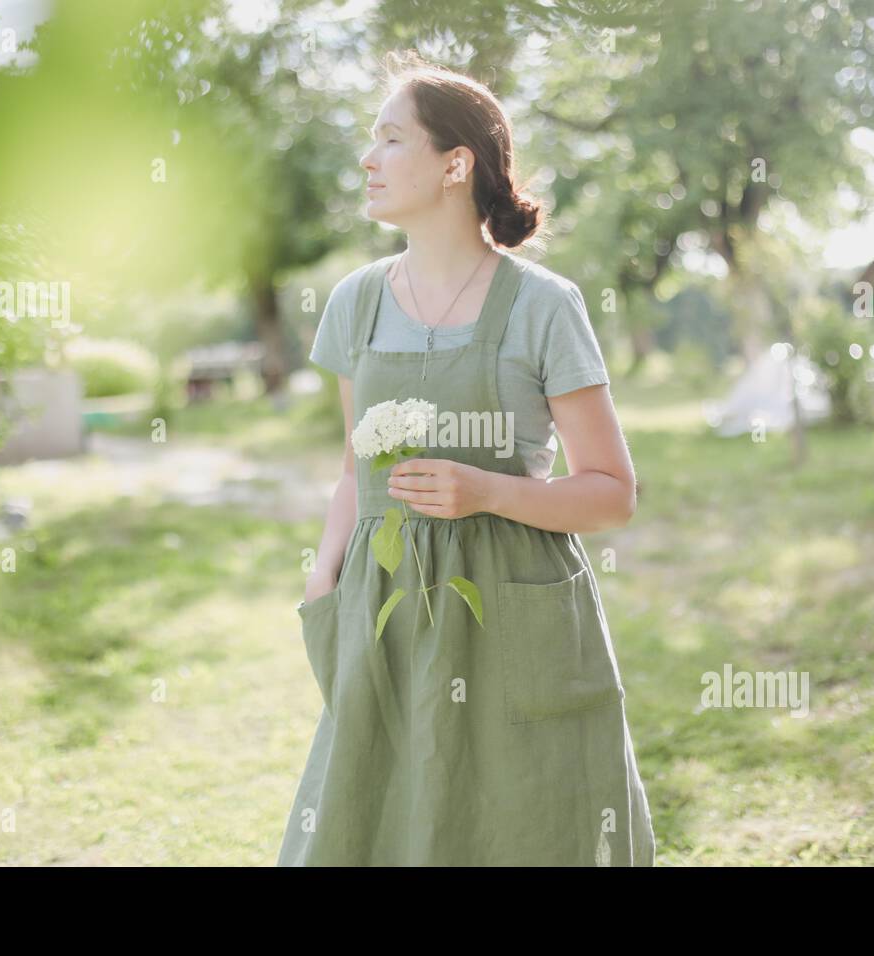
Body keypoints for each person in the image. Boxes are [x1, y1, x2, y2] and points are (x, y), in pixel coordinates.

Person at [277, 50, 655, 866]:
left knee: (527, 818)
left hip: (512, 605)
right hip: (384, 605)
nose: (367, 160)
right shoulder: (356, 302)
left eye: (389, 140)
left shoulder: (543, 306)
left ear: (456, 162)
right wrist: (325, 575)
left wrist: (485, 489)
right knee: (374, 819)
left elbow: (612, 494)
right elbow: (354, 469)